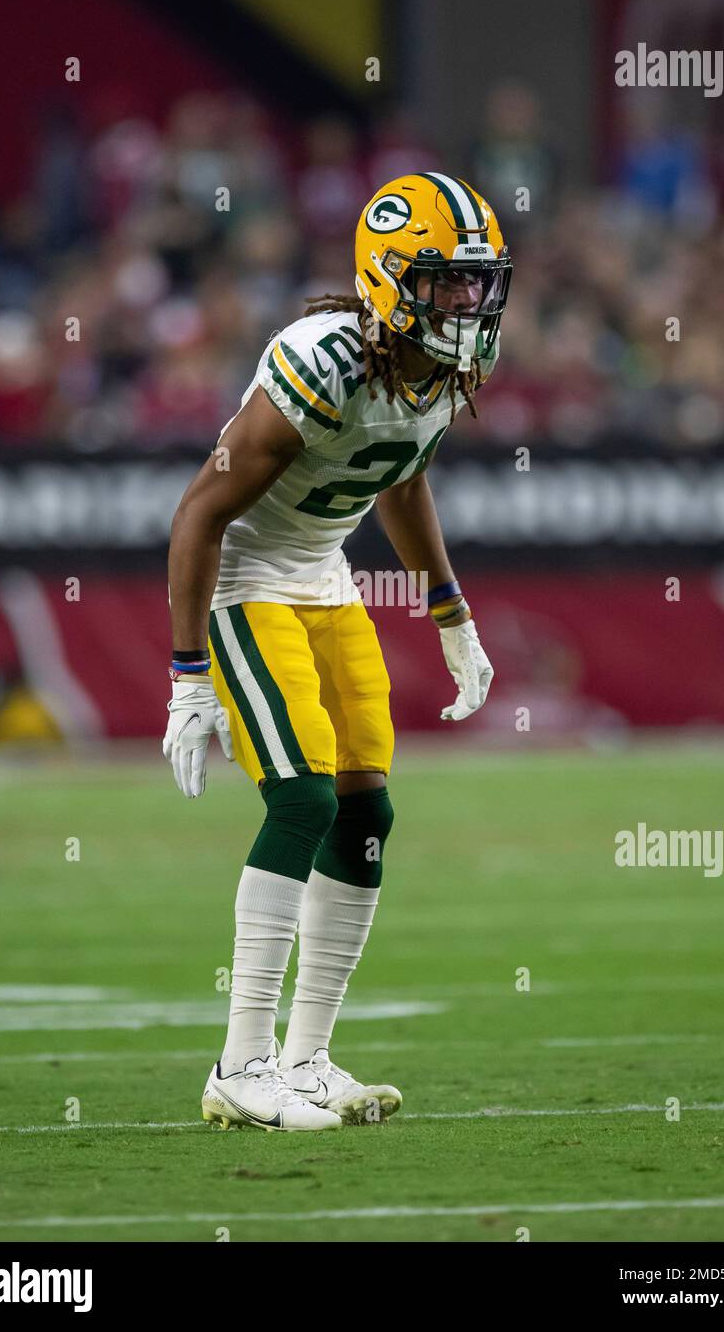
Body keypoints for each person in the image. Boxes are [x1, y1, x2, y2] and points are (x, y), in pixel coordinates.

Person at [163, 172, 512, 1131]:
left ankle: (309, 1058)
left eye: (477, 282)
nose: (467, 302)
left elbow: (400, 480)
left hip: (324, 578)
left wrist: (450, 611)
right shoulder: (321, 359)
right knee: (304, 797)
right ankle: (242, 1065)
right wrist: (188, 677)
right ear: (390, 278)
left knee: (366, 810)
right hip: (245, 582)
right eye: (446, 282)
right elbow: (197, 513)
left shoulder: (439, 369)